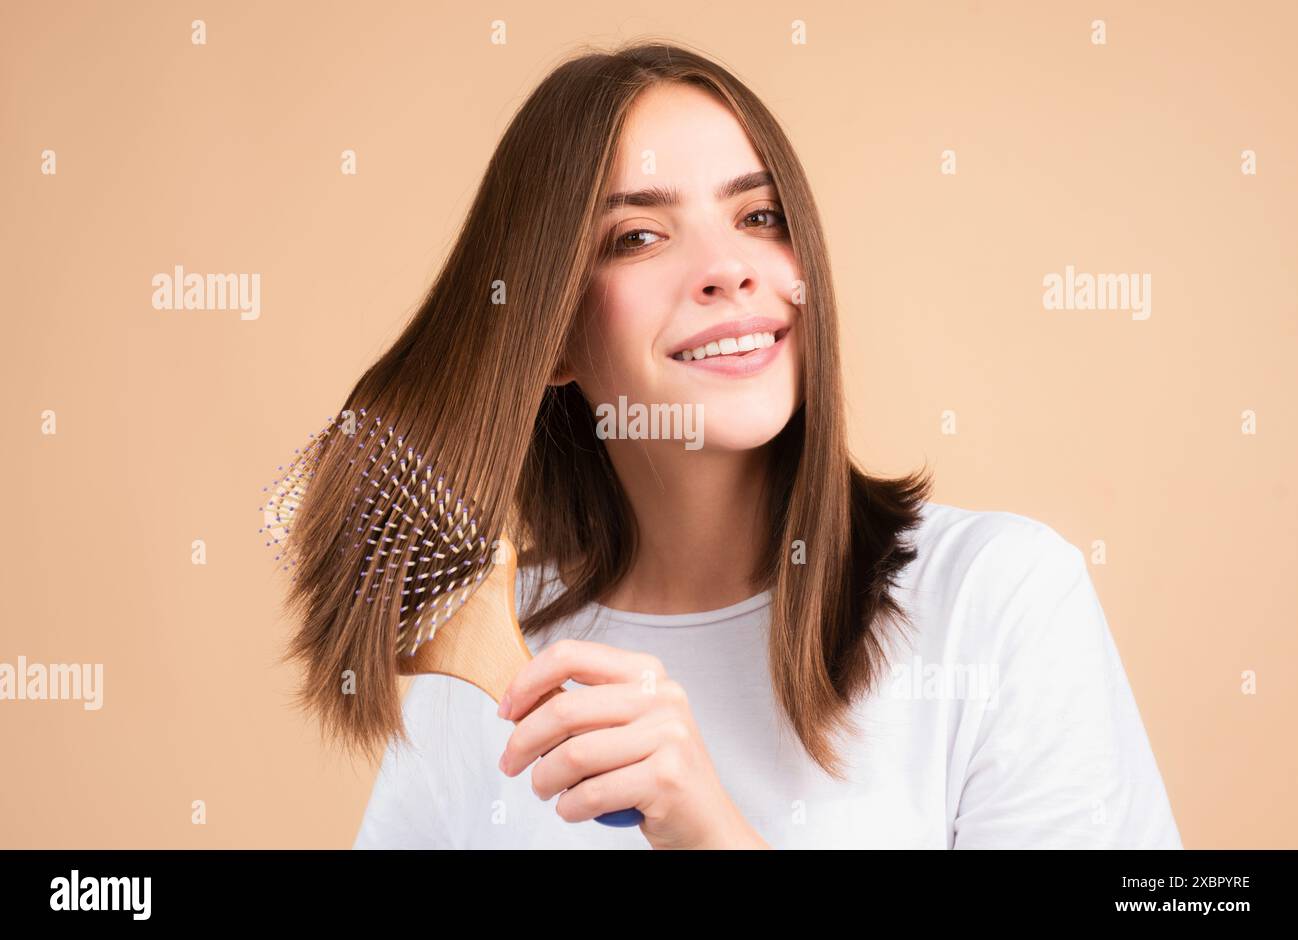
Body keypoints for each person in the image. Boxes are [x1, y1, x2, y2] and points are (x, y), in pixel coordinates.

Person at [343, 41, 1182, 850]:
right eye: (637, 235)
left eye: (759, 216)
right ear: (552, 333)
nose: (729, 268)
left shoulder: (997, 602)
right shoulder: (474, 670)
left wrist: (712, 836)